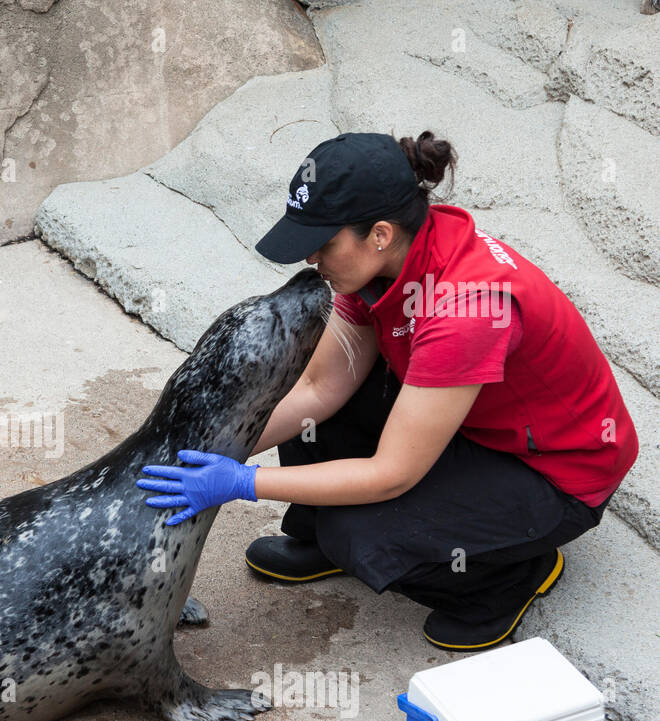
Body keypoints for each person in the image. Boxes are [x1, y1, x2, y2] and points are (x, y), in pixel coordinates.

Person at [136, 131, 638, 651]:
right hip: (470, 424)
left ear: (378, 234)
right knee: (306, 397)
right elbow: (318, 387)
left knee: (360, 535)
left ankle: (508, 577)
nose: (310, 258)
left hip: (552, 473)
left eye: (323, 242)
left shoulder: (468, 308)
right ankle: (321, 535)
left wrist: (243, 481)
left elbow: (391, 474)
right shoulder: (385, 266)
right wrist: (200, 453)